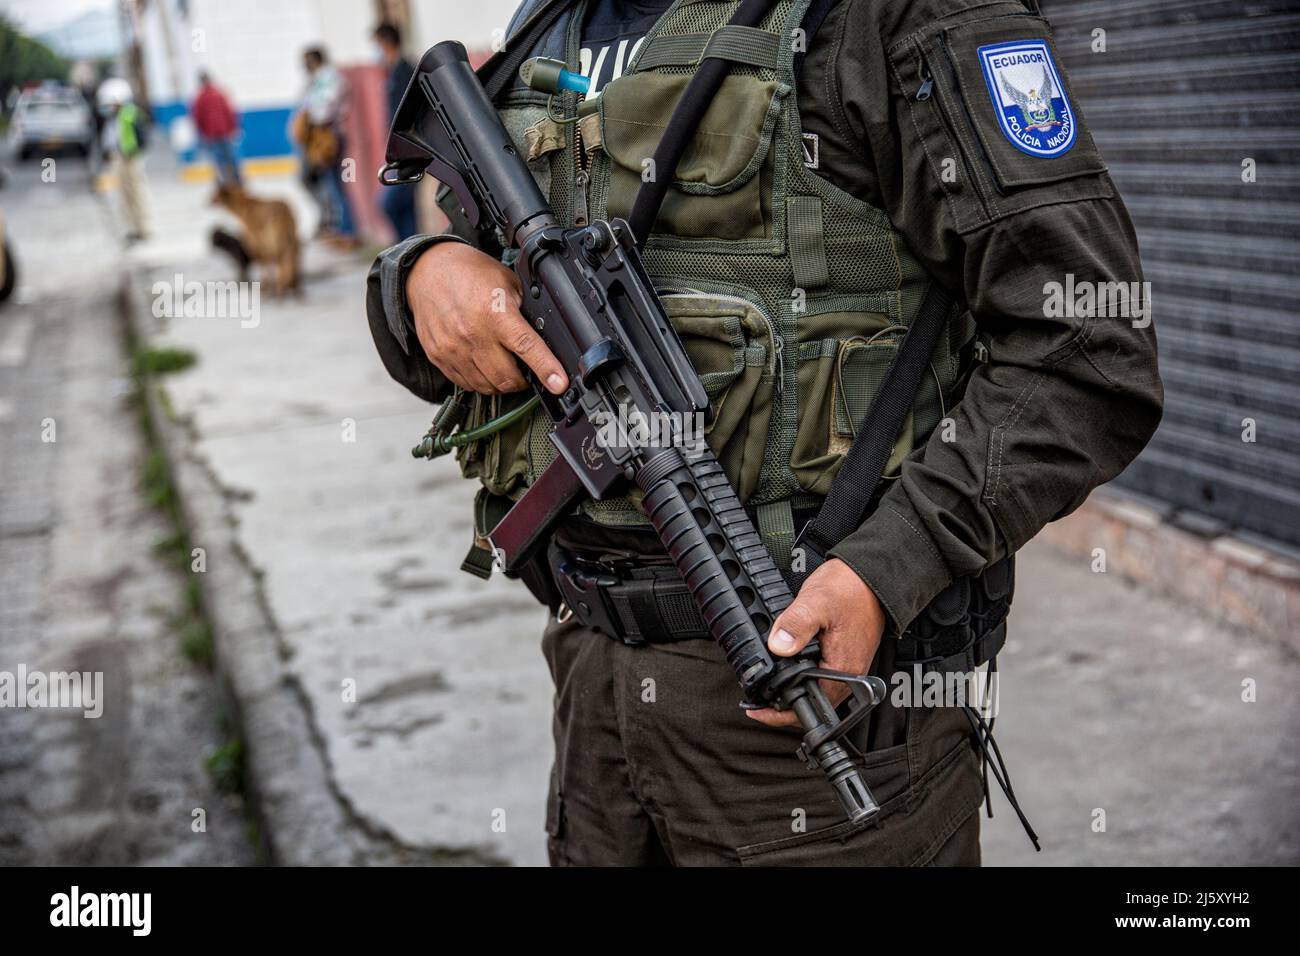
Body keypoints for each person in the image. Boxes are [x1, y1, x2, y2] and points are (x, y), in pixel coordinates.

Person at [365, 0, 1163, 865]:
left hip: (816, 715)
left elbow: (1088, 349)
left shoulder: (891, 16)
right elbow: (492, 290)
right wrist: (420, 277)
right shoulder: (552, 19)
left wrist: (886, 568)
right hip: (591, 694)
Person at [295, 46, 356, 246]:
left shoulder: (328, 78)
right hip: (319, 137)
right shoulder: (316, 80)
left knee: (336, 185)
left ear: (314, 59)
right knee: (326, 183)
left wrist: (311, 121)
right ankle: (336, 225)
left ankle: (346, 229)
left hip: (328, 137)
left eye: (306, 61)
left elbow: (324, 109)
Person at [374, 22, 418, 241]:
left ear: (386, 43)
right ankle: (409, 244)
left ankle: (405, 242)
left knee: (389, 203)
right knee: (406, 207)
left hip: (407, 146)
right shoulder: (393, 70)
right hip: (398, 146)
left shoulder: (405, 71)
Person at [97, 78, 151, 243]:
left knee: (137, 192)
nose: (108, 107)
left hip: (132, 158)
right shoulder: (112, 118)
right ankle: (132, 228)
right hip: (118, 157)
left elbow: (142, 136)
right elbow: (109, 138)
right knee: (123, 194)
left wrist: (134, 152)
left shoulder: (130, 113)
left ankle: (143, 228)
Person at [191, 72, 242, 185]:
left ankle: (225, 186)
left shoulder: (200, 98)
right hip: (225, 132)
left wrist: (202, 134)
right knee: (232, 159)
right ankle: (238, 183)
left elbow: (197, 118)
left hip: (212, 135)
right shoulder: (220, 93)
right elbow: (230, 112)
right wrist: (234, 128)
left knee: (219, 161)